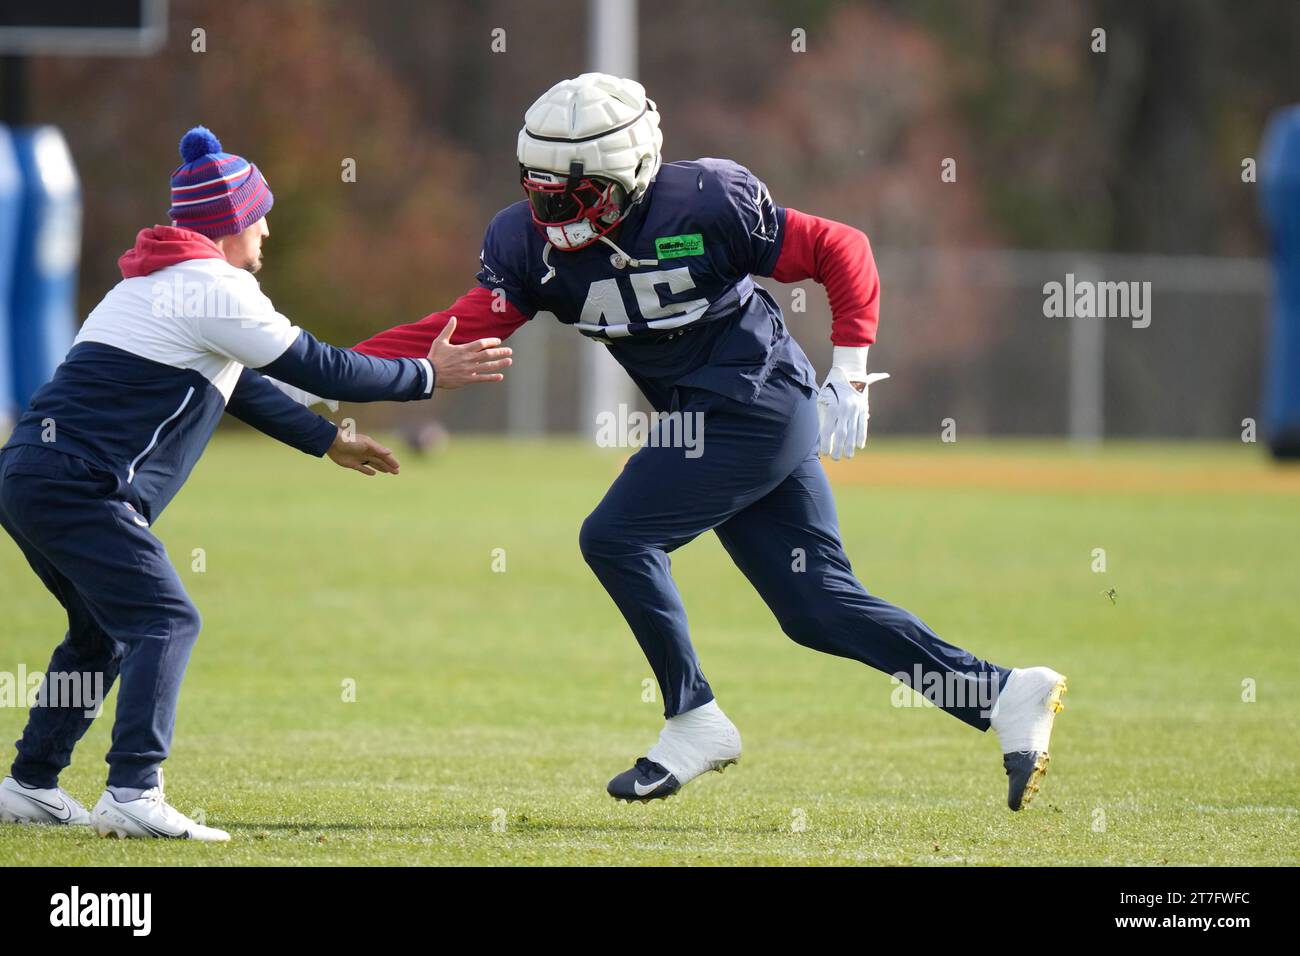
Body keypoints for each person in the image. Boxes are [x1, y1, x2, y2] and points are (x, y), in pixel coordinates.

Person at [352, 75, 1067, 811]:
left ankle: (694, 717)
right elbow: (449, 332)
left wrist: (850, 371)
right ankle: (1003, 694)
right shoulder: (525, 244)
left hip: (756, 402)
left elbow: (839, 249)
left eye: (571, 196)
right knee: (817, 607)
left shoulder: (706, 203)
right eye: (538, 192)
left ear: (630, 176)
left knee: (615, 538)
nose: (550, 214)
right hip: (707, 415)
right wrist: (318, 371)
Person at [0, 127, 511, 841]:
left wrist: (328, 439)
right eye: (258, 214)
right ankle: (132, 789)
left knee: (100, 634)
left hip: (29, 475)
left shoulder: (153, 281)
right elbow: (323, 368)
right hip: (78, 485)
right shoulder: (214, 287)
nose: (267, 229)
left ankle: (31, 783)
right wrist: (427, 374)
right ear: (231, 222)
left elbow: (240, 388)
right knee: (165, 619)